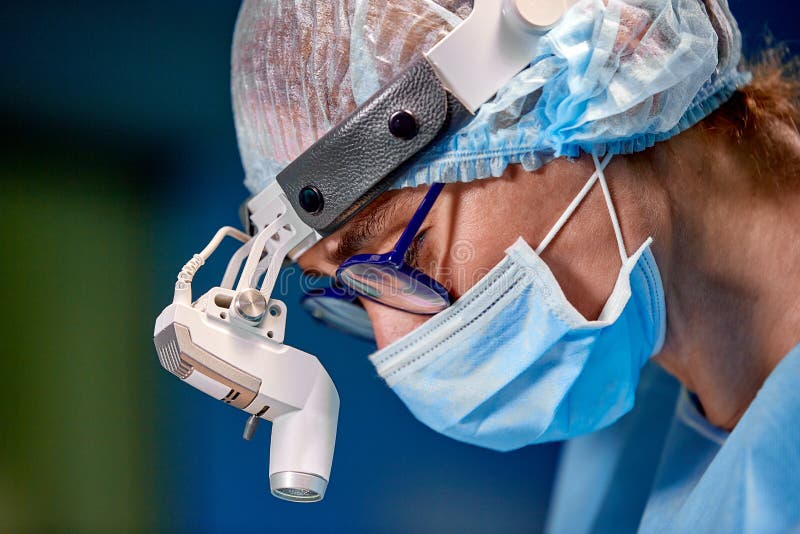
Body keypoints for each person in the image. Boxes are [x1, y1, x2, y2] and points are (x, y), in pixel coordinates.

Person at [231, 0, 800, 531]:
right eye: (358, 291)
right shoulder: (630, 462)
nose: (396, 341)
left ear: (610, 49)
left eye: (407, 251)